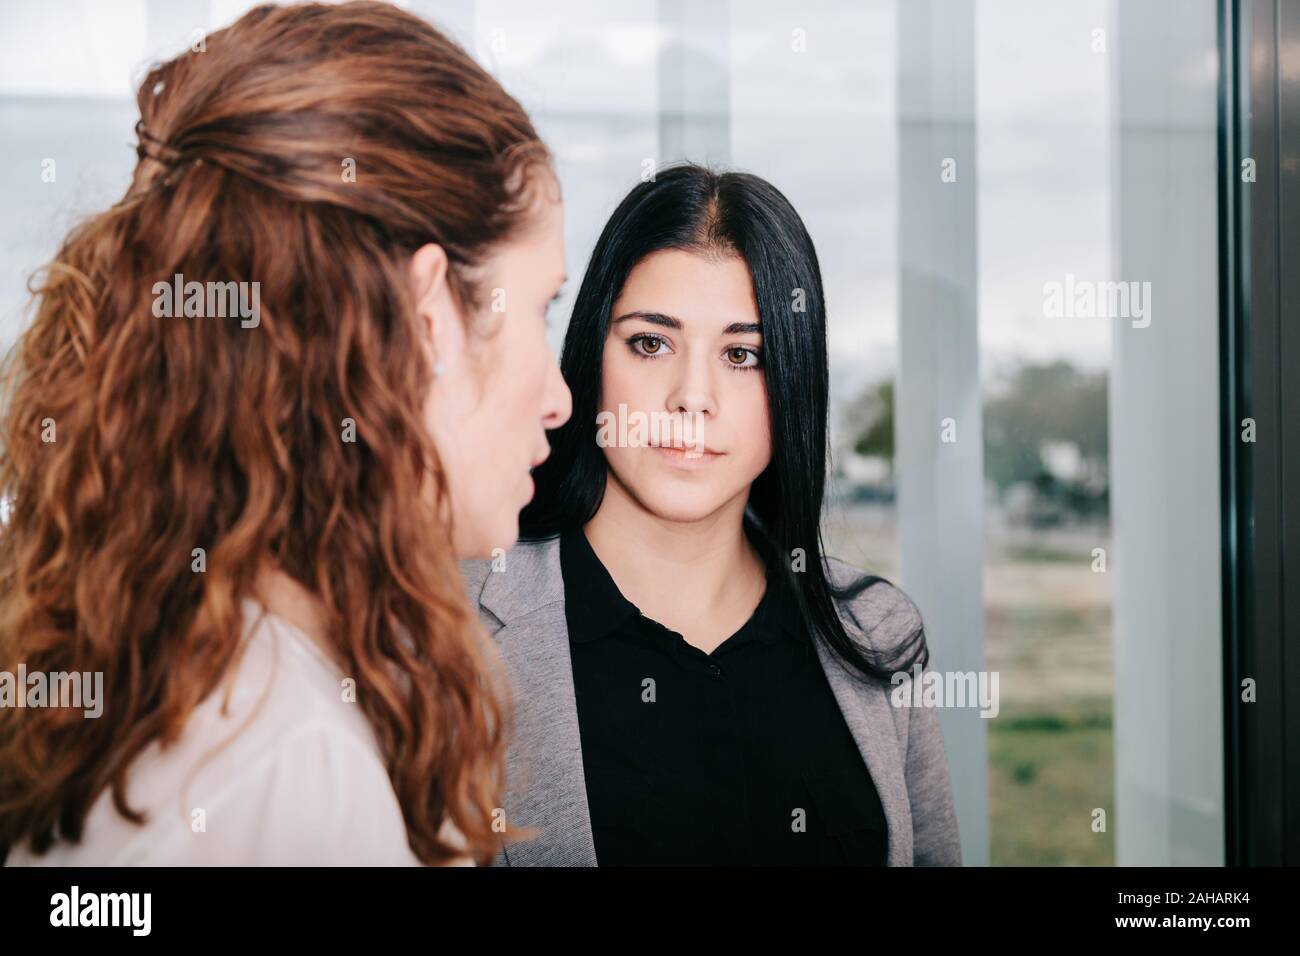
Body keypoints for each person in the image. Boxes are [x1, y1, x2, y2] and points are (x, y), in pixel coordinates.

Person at [0, 0, 570, 866]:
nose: (560, 397)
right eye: (540, 307)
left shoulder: (185, 676)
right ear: (427, 322)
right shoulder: (288, 769)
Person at [462, 163, 961, 866]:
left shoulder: (877, 631)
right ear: (589, 360)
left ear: (793, 380)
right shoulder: (447, 622)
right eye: (649, 342)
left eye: (743, 355)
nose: (692, 397)